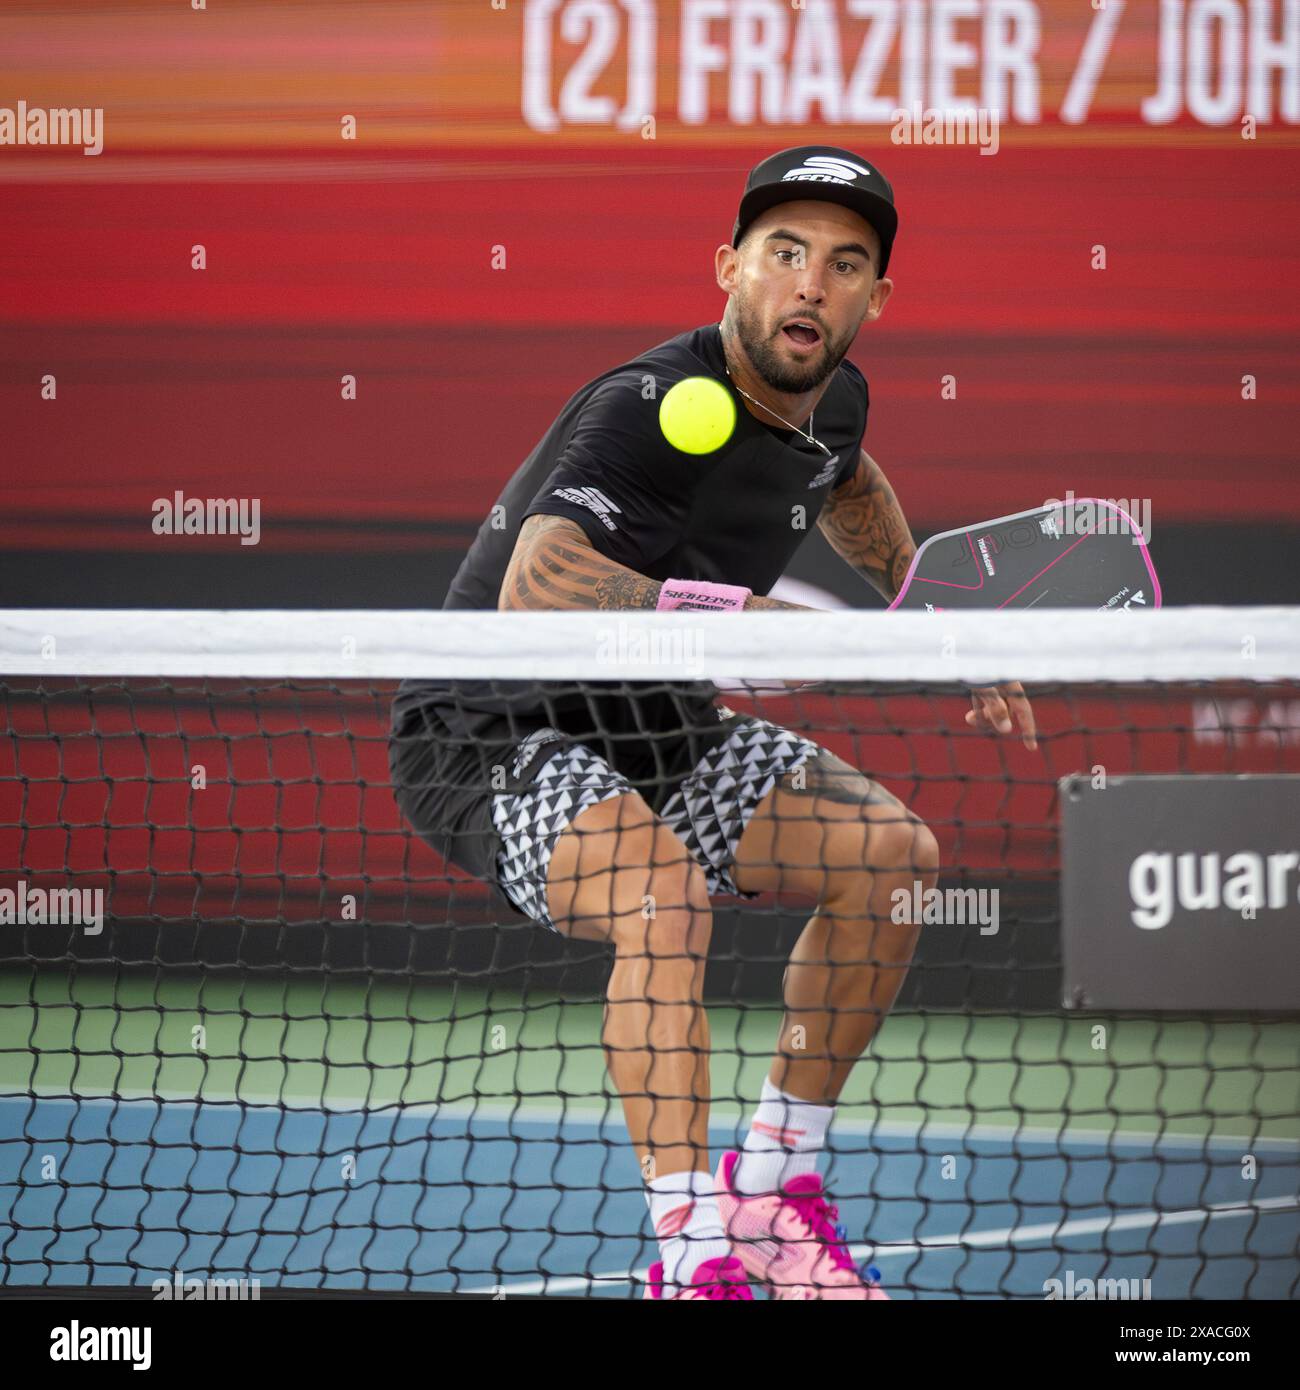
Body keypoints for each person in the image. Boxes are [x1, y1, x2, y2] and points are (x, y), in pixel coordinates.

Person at [390, 145, 1036, 1301]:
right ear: (729, 267)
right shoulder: (638, 405)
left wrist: (930, 615)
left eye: (844, 265)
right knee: (660, 894)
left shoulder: (833, 395)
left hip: (659, 727)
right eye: (783, 253)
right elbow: (534, 582)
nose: (809, 284)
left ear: (873, 300)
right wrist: (738, 609)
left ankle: (776, 1191)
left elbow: (846, 477)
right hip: (491, 729)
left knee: (892, 856)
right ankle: (691, 1258)